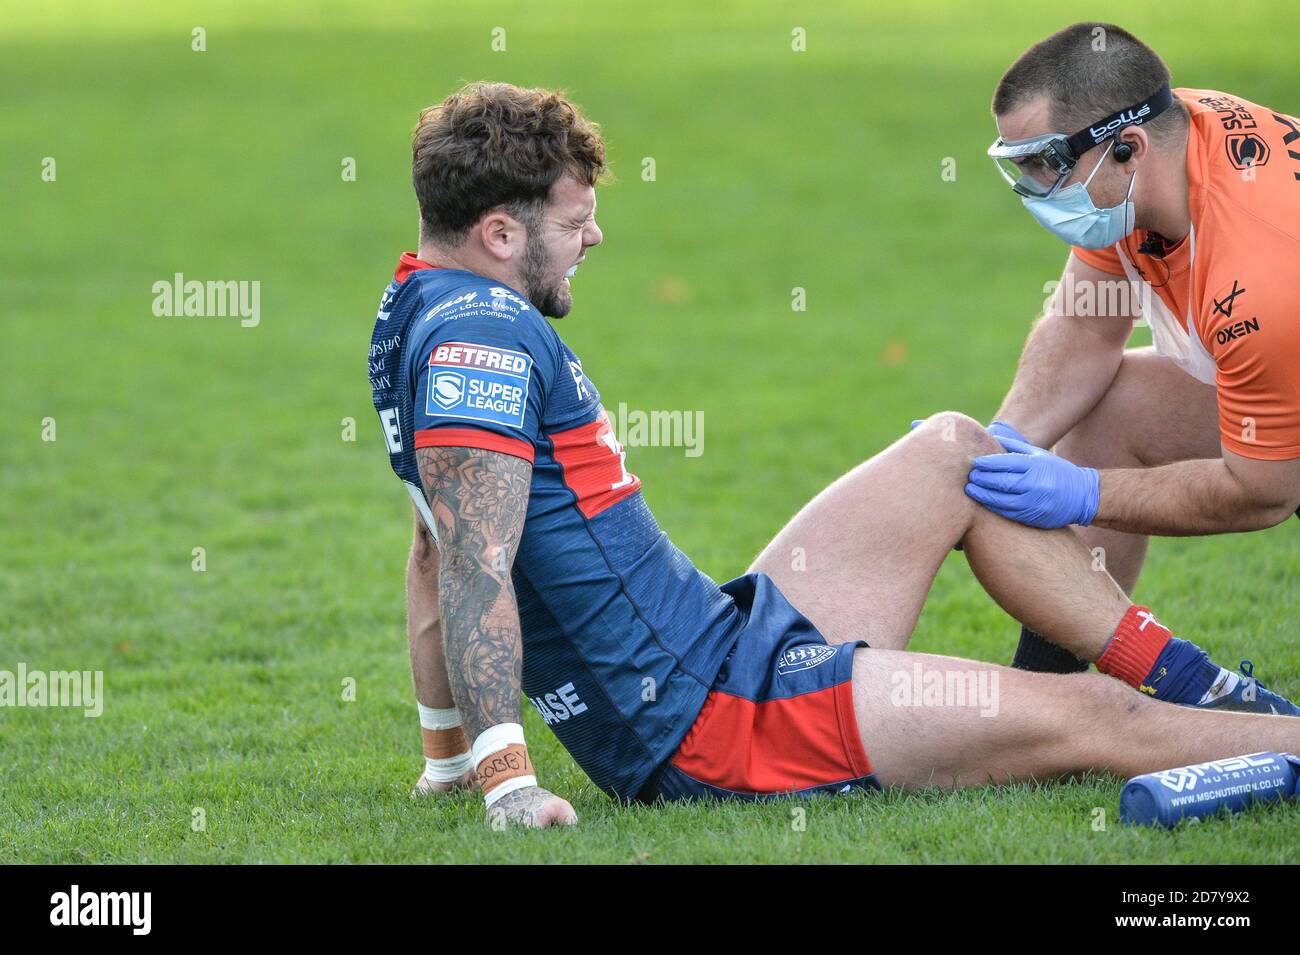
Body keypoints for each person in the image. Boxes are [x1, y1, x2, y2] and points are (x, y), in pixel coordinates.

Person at [370, 82, 1300, 829]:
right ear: (499, 233)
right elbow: (473, 564)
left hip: (726, 643)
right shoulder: (479, 349)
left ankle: (1198, 684)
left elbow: (433, 547)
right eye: (575, 224)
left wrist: (448, 763)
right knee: (1102, 720)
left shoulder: (417, 307)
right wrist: (504, 782)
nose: (595, 238)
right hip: (718, 729)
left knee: (954, 451)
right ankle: (1264, 729)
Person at [975, 22, 1300, 678]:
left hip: (1277, 329)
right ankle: (1049, 692)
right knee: (1114, 407)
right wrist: (999, 446)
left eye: (1046, 163)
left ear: (1128, 147)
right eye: (1021, 165)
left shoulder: (1260, 275)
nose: (1035, 189)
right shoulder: (1160, 154)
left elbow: (1263, 491)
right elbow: (1085, 328)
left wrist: (1085, 492)